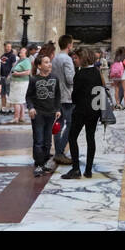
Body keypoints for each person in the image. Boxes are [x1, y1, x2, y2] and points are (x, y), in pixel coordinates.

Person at [64, 45, 104, 179]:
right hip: (94, 111)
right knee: (90, 138)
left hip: (81, 111)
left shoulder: (80, 74)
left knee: (72, 137)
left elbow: (75, 96)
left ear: (83, 58)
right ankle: (88, 170)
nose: (75, 60)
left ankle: (75, 169)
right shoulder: (96, 72)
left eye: (76, 58)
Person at [27, 52, 60, 176]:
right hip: (38, 113)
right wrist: (31, 108)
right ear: (39, 66)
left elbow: (57, 96)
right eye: (46, 62)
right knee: (38, 139)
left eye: (49, 62)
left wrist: (58, 109)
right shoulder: (34, 79)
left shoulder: (55, 78)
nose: (49, 64)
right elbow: (28, 96)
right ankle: (39, 163)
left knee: (47, 141)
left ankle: (45, 162)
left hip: (51, 113)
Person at [52, 33, 75, 163]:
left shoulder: (55, 58)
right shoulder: (67, 59)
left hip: (57, 95)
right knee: (70, 124)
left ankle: (57, 152)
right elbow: (70, 79)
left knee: (58, 124)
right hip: (67, 95)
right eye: (71, 44)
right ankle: (60, 152)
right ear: (68, 45)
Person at [8, 43, 33, 124]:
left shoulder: (26, 60)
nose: (20, 52)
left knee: (17, 101)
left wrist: (17, 74)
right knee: (21, 101)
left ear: (26, 53)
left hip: (20, 83)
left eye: (22, 51)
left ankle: (16, 117)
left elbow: (28, 72)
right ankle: (21, 117)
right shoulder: (20, 60)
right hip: (17, 82)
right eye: (20, 51)